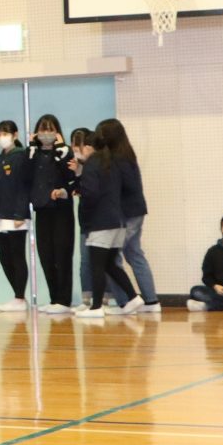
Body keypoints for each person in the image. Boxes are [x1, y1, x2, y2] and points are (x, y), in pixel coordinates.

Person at [72, 129, 138, 316]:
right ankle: (134, 298)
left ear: (88, 147)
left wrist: (86, 214)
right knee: (109, 264)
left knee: (97, 265)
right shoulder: (112, 162)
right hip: (118, 222)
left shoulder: (93, 162)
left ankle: (96, 307)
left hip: (101, 223)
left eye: (79, 146)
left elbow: (90, 194)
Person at [97, 119, 157, 313]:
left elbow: (118, 189)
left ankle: (126, 301)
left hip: (126, 214)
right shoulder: (126, 155)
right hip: (136, 211)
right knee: (134, 254)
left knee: (110, 257)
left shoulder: (116, 159)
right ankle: (151, 301)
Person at [28, 116, 77, 314]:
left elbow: (71, 178)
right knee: (46, 255)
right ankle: (54, 297)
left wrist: (61, 151)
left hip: (61, 209)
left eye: (50, 129)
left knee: (62, 254)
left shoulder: (65, 152)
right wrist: (31, 147)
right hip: (42, 209)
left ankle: (64, 300)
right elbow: (26, 175)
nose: (46, 133)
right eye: (42, 129)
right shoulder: (33, 154)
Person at [0, 120, 32, 313]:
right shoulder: (0, 158)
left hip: (16, 214)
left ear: (15, 135)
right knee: (4, 256)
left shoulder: (20, 156)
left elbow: (24, 187)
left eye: (5, 133)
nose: (1, 137)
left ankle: (20, 297)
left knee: (17, 256)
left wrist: (20, 213)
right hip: (0, 213)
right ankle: (16, 295)